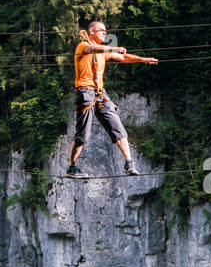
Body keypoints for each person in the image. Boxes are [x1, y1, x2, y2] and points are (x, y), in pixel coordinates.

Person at [67, 21, 158, 178]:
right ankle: (72, 168)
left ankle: (129, 163)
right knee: (82, 136)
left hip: (100, 94)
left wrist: (143, 59)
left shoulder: (102, 51)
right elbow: (92, 49)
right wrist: (112, 47)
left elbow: (123, 57)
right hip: (86, 92)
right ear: (91, 31)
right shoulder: (82, 45)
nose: (104, 32)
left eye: (105, 30)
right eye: (101, 30)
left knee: (118, 128)